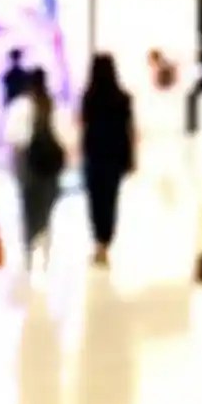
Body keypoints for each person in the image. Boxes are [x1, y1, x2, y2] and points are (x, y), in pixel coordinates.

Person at [5, 68, 71, 263]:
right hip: (50, 164)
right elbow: (65, 136)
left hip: (28, 162)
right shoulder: (55, 105)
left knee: (28, 205)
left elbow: (12, 138)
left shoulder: (20, 106)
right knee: (46, 204)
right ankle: (44, 240)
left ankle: (29, 245)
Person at [80, 54, 135, 266]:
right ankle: (106, 241)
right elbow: (128, 130)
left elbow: (84, 126)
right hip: (115, 156)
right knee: (111, 200)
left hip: (94, 155)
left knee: (95, 201)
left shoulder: (89, 97)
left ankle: (99, 243)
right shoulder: (122, 98)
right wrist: (130, 158)